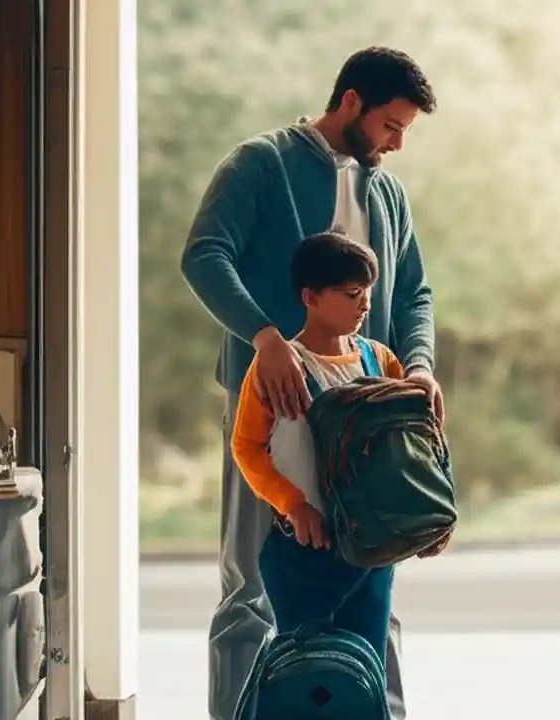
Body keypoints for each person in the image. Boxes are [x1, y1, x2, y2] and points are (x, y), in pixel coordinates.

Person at [181, 46, 441, 720]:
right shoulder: (260, 164)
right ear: (350, 101)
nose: (397, 143)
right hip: (277, 415)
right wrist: (264, 337)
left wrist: (417, 367)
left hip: (370, 426)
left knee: (374, 579)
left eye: (405, 130)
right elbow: (205, 255)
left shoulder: (387, 194)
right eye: (391, 124)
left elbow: (414, 293)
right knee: (249, 591)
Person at [233, 232, 411, 668]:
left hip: (371, 553)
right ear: (310, 297)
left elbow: (404, 448)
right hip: (303, 554)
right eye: (352, 294)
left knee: (365, 669)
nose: (365, 304)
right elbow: (246, 447)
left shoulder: (381, 361)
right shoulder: (277, 368)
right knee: (306, 677)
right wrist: (292, 505)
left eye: (367, 292)